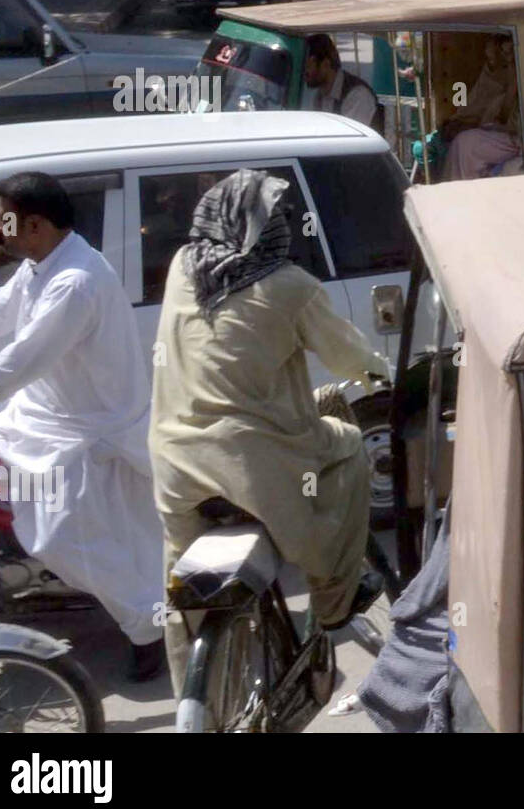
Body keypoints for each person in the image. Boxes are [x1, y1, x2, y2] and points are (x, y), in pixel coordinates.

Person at [149, 169, 388, 696]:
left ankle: (196, 706)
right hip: (253, 464)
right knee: (348, 450)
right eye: (278, 217)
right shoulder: (290, 286)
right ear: (267, 228)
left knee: (181, 596)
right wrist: (382, 373)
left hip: (174, 464)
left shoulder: (182, 270)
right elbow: (350, 357)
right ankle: (333, 599)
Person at [0, 173, 165, 681]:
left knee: (70, 540)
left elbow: (17, 362)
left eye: (2, 216)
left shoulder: (76, 281)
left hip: (81, 434)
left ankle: (150, 630)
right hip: (40, 414)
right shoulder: (42, 265)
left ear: (33, 224)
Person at [441, 35, 522, 180]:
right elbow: (484, 107)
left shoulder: (520, 73)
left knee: (465, 144)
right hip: (502, 133)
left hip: (519, 139)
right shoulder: (496, 83)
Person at [302, 33, 379, 129]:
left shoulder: (357, 95)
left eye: (308, 66)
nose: (304, 72)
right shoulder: (319, 97)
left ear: (325, 64)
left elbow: (350, 140)